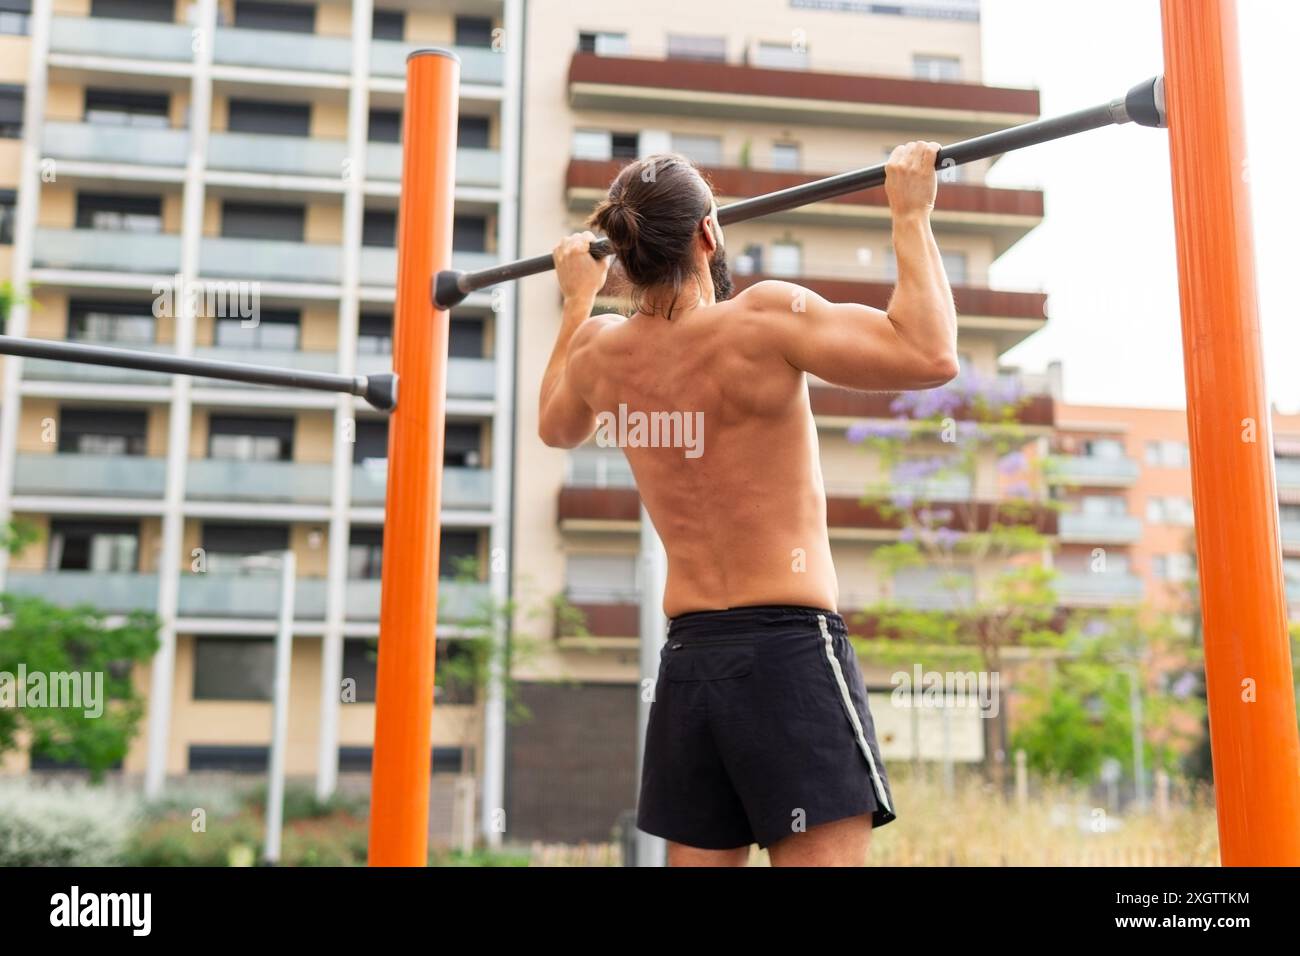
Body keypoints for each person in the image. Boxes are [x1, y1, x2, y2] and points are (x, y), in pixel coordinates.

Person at [538, 143, 958, 866]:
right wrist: (910, 215)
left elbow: (555, 425)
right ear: (708, 234)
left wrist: (578, 299)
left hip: (691, 664)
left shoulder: (599, 354)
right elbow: (929, 354)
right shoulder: (761, 320)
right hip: (787, 652)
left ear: (624, 255)